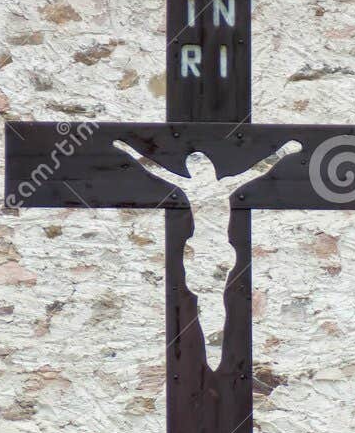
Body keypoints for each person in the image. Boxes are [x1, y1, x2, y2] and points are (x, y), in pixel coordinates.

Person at [111, 139, 303, 371]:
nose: (202, 170)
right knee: (206, 299)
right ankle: (211, 349)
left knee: (216, 298)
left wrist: (286, 149)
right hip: (201, 251)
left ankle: (215, 349)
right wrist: (126, 148)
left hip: (216, 251)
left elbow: (258, 170)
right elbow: (154, 168)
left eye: (203, 165)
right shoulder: (196, 186)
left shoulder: (221, 186)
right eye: (198, 166)